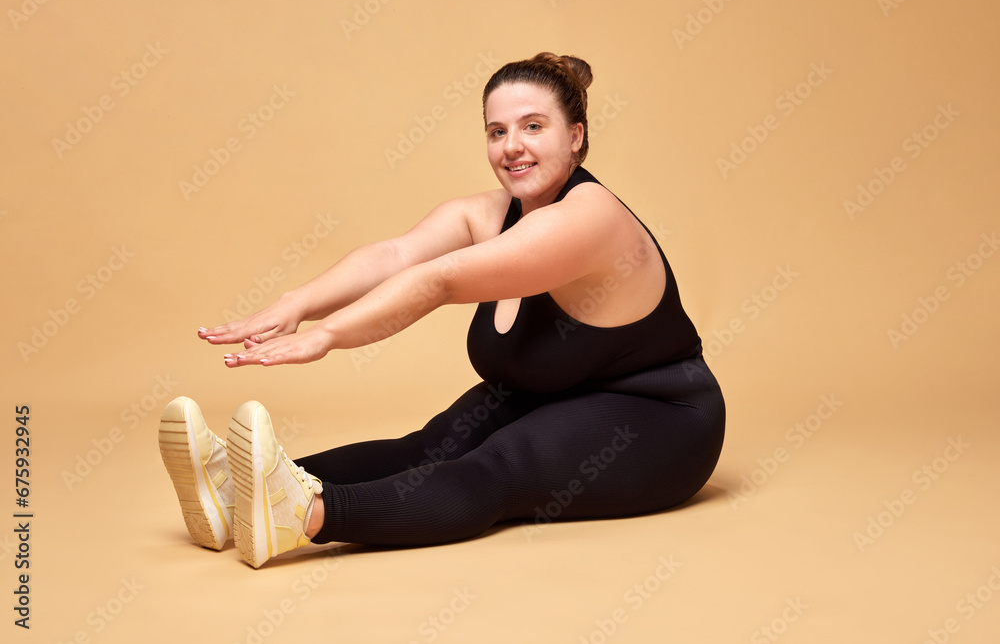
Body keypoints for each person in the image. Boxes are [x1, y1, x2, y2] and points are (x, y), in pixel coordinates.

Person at [158, 52, 726, 569]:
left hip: (659, 417)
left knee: (497, 469)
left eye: (534, 126)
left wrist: (328, 334)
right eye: (497, 131)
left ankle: (304, 515)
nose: (512, 147)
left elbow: (440, 279)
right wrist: (296, 304)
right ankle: (232, 494)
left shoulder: (588, 217)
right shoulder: (494, 211)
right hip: (559, 392)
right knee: (427, 448)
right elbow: (396, 254)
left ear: (575, 136)